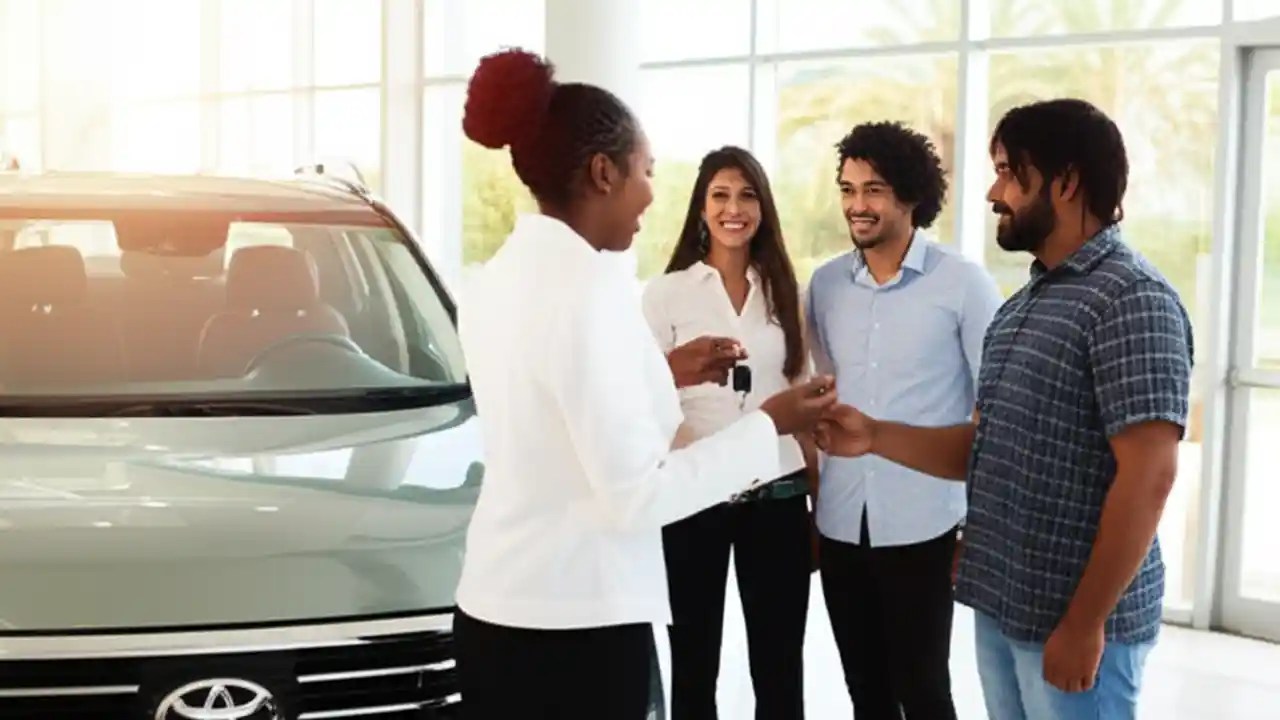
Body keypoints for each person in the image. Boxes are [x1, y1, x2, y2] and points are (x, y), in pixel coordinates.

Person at [452, 48, 838, 720]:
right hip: (576, 626)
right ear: (604, 173)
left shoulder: (496, 280)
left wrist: (662, 373)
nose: (653, 193)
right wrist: (769, 424)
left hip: (494, 609)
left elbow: (553, 407)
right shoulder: (588, 298)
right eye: (647, 171)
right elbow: (637, 496)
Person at [814, 98, 1194, 720]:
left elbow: (1150, 475)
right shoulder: (1027, 304)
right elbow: (990, 450)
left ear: (1067, 182)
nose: (994, 191)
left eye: (1010, 174)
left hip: (1073, 624)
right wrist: (874, 436)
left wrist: (1085, 622)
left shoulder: (1131, 299)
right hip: (1006, 608)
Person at [803, 121, 1002, 720]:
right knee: (865, 691)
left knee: (923, 691)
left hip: (924, 524)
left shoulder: (962, 282)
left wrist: (977, 525)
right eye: (847, 189)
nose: (856, 205)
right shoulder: (826, 284)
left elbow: (991, 409)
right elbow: (824, 402)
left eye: (873, 190)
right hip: (841, 522)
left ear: (911, 197)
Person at [641, 145, 818, 720]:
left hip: (779, 498)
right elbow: (641, 397)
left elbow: (806, 400)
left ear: (763, 208)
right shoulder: (666, 293)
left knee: (779, 667)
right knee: (693, 664)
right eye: (720, 195)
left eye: (746, 195)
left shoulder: (790, 292)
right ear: (700, 208)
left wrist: (819, 504)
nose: (733, 208)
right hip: (694, 498)